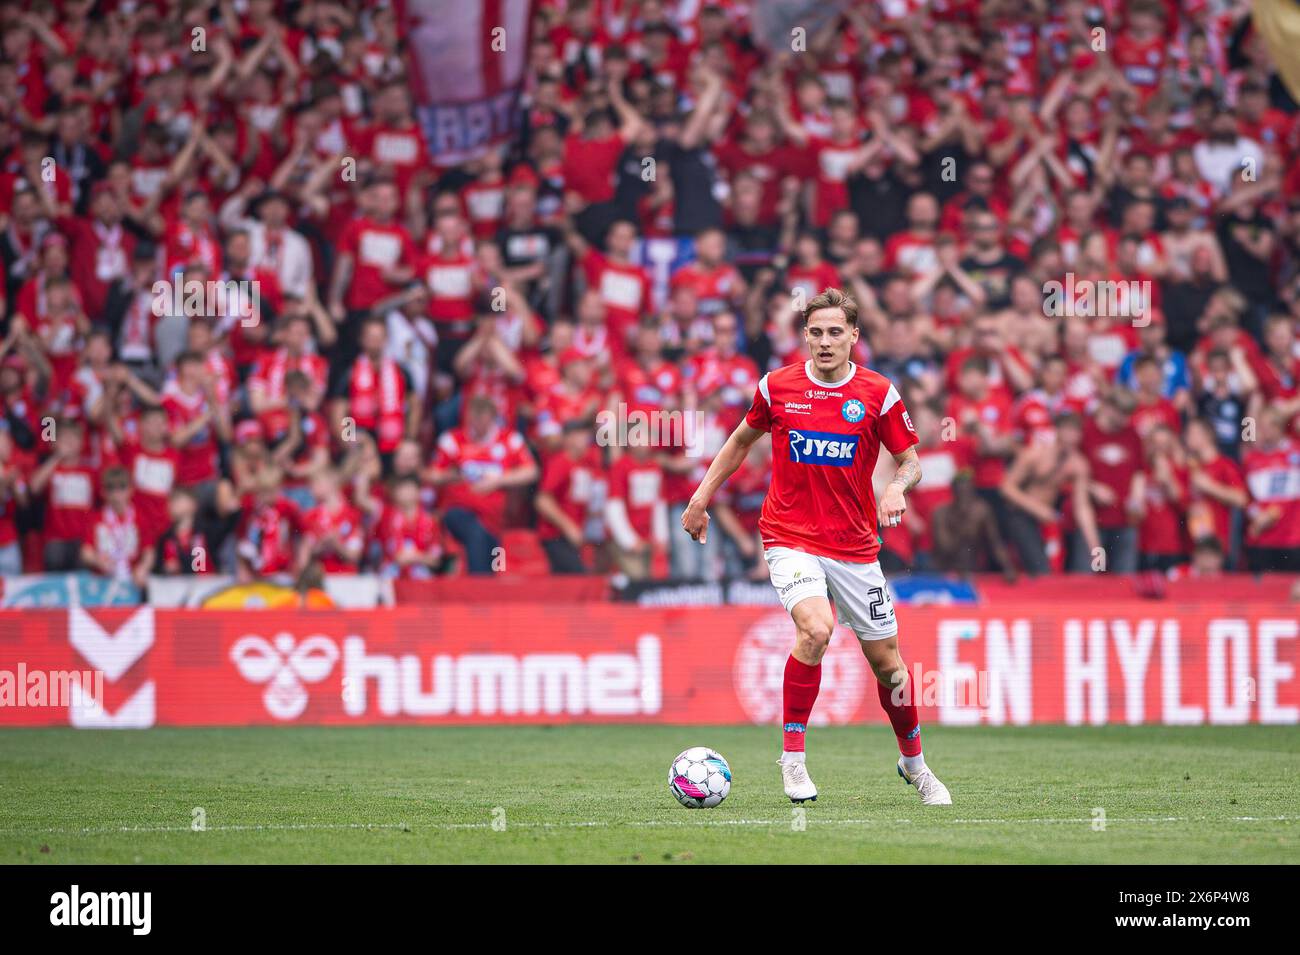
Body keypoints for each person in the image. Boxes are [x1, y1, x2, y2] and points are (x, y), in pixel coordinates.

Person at [681, 287, 951, 806]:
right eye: (816, 333)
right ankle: (794, 759)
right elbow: (740, 441)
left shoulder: (878, 393)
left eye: (835, 332)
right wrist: (700, 498)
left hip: (853, 545)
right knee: (816, 628)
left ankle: (914, 765)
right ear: (805, 336)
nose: (825, 342)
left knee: (890, 668)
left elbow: (911, 459)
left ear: (854, 336)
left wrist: (896, 485)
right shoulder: (776, 386)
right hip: (789, 535)